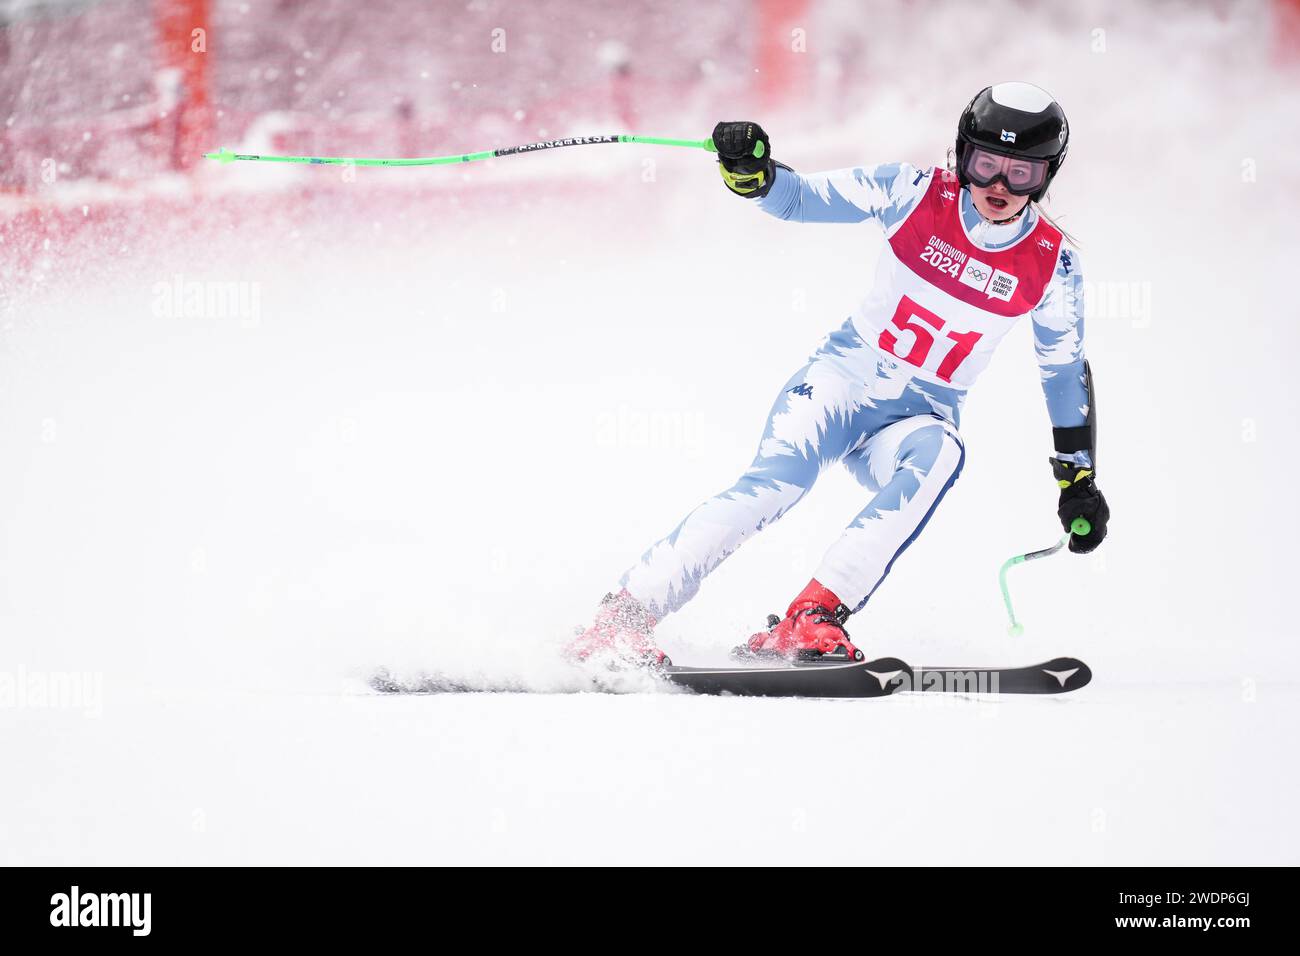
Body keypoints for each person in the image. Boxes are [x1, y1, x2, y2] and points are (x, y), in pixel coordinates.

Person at [569, 82, 1109, 667]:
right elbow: (795, 199)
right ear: (961, 154)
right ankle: (620, 620)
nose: (1000, 187)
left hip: (917, 418)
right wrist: (750, 170)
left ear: (1047, 175)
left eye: (1021, 174)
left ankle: (812, 616)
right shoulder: (912, 191)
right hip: (840, 385)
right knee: (776, 484)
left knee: (943, 454)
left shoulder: (1053, 263)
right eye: (985, 166)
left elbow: (1061, 373)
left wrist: (1076, 481)